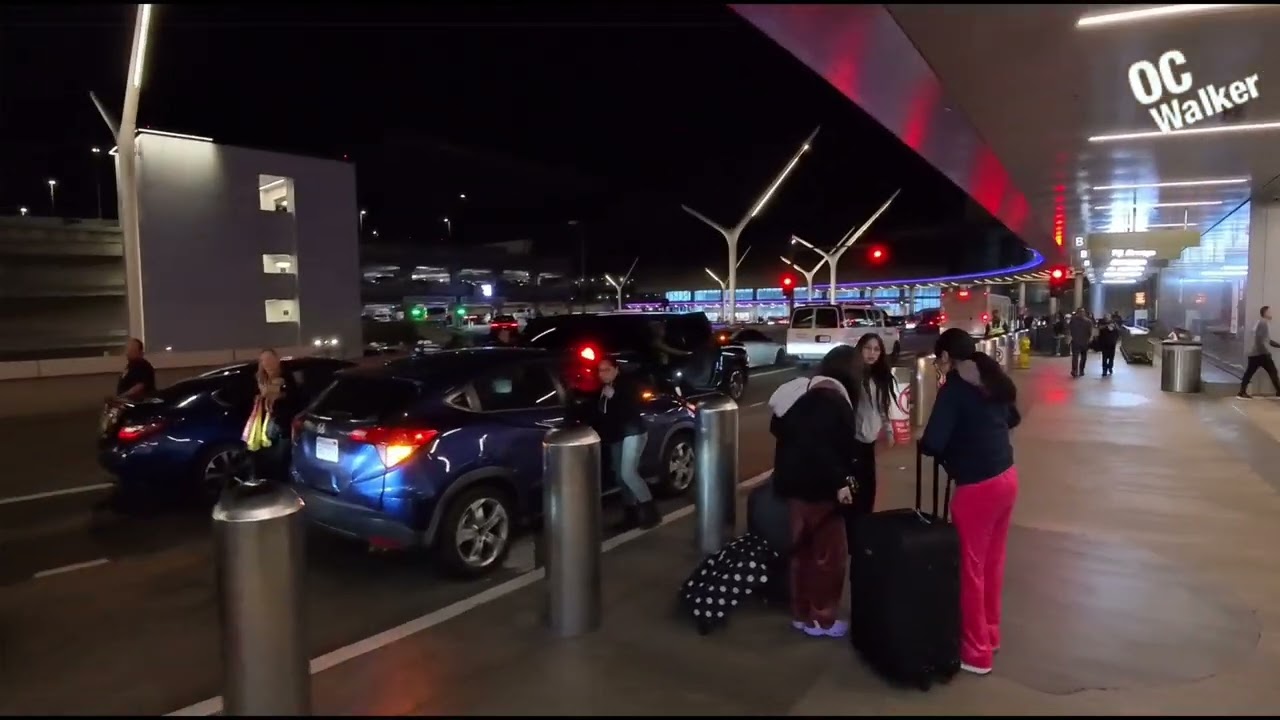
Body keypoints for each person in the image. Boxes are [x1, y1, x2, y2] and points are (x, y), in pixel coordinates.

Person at [920, 329, 1020, 676]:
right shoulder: (990, 377)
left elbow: (933, 442)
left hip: (977, 487)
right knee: (993, 562)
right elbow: (1013, 418)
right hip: (1007, 477)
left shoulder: (954, 389)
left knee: (970, 569)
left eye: (939, 358)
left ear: (947, 357)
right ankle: (990, 633)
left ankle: (976, 652)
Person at [768, 345, 861, 638]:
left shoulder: (801, 395)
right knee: (829, 556)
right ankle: (822, 618)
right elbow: (823, 447)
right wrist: (841, 482)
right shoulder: (831, 400)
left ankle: (801, 613)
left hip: (794, 485)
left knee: (802, 551)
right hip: (820, 488)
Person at [587, 357, 660, 530]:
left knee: (628, 473)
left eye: (606, 370)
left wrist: (615, 397)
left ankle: (651, 512)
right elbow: (601, 414)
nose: (602, 374)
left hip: (632, 432)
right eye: (600, 370)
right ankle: (631, 513)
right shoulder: (603, 389)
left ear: (616, 370)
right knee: (620, 477)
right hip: (617, 436)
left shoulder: (625, 385)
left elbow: (631, 409)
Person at [850, 333, 895, 517]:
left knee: (869, 488)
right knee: (855, 489)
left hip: (870, 440)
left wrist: (889, 430)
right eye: (867, 348)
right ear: (860, 349)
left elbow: (883, 406)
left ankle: (864, 524)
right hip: (852, 439)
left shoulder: (880, 377)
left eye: (876, 349)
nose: (872, 353)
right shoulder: (853, 376)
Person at [246, 349, 297, 485]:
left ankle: (280, 487)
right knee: (263, 461)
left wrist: (281, 395)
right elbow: (249, 399)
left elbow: (296, 397)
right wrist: (258, 398)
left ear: (277, 360)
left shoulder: (286, 378)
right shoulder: (259, 380)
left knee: (280, 463)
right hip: (262, 428)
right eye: (264, 360)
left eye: (270, 359)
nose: (267, 363)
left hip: (281, 426)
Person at [1238, 305, 1280, 399]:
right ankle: (1279, 391)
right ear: (1265, 313)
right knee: (1273, 371)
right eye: (1269, 311)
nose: (1271, 313)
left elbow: (1267, 340)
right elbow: (1259, 340)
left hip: (1255, 353)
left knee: (1249, 372)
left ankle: (1242, 392)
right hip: (1261, 353)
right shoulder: (1263, 323)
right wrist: (1265, 352)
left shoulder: (1259, 323)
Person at [1068, 308, 1093, 378]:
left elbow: (1090, 332)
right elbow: (1070, 329)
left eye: (1082, 312)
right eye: (1080, 312)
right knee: (1076, 357)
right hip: (1077, 341)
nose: (1081, 313)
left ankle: (1080, 370)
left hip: (1083, 342)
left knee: (1082, 357)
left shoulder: (1088, 322)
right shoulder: (1074, 320)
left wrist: (1090, 339)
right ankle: (1075, 370)